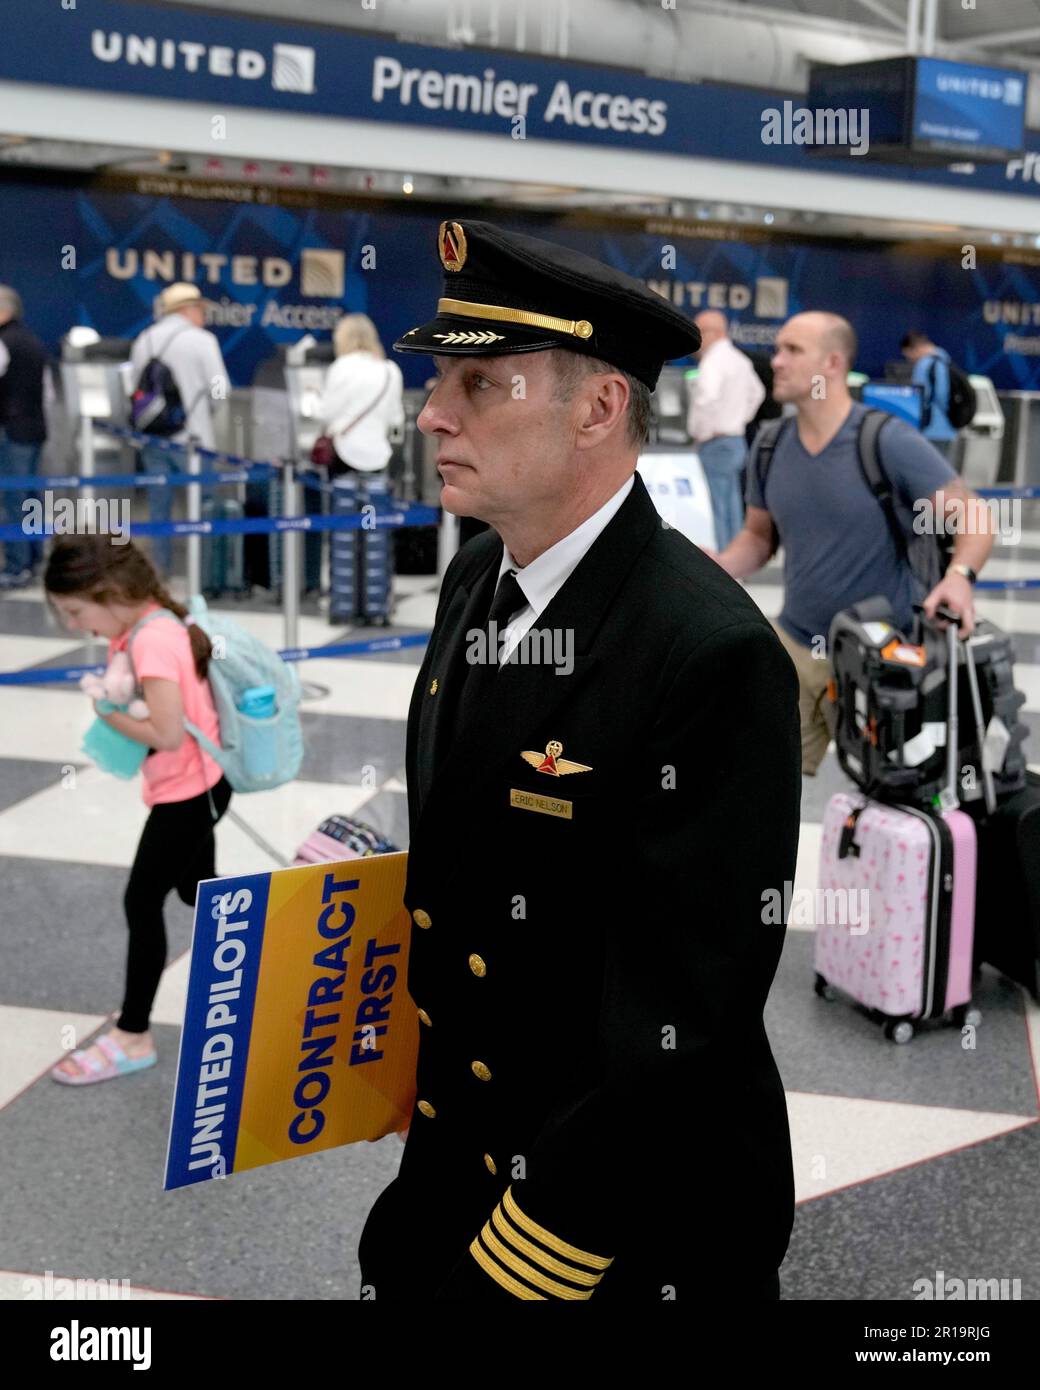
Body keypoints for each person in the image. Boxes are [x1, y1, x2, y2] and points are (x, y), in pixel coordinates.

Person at [357, 218, 801, 1301]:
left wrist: (536, 1239)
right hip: (463, 1136)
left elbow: (684, 1008)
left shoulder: (706, 650)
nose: (431, 412)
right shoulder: (475, 576)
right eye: (438, 380)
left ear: (599, 407)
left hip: (614, 1206)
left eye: (477, 383)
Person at [707, 312, 994, 777]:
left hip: (880, 656)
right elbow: (758, 537)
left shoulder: (885, 440)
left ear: (833, 363)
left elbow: (974, 515)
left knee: (885, 794)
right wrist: (720, 563)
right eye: (778, 348)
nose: (776, 361)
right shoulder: (769, 444)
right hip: (797, 650)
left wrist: (960, 578)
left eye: (792, 350)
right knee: (769, 789)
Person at [44, 534, 232, 1084]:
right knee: (198, 889)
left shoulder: (151, 641)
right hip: (202, 785)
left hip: (188, 793)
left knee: (141, 900)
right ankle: (272, 962)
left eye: (76, 612)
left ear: (107, 592)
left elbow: (167, 733)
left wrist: (105, 712)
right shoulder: (148, 625)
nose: (76, 625)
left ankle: (133, 1035)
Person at [129, 283, 230, 575]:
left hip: (153, 437)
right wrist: (205, 412)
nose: (204, 316)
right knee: (204, 506)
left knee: (158, 509)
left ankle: (160, 573)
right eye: (201, 310)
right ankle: (206, 574)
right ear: (189, 310)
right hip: (194, 440)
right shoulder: (202, 341)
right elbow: (220, 388)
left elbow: (135, 387)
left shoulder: (145, 339)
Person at [318, 313, 405, 624]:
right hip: (379, 461)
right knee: (376, 536)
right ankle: (377, 608)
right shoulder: (389, 371)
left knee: (343, 535)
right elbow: (395, 420)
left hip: (344, 460)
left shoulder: (340, 368)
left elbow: (326, 414)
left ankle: (343, 605)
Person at [686, 310, 765, 550]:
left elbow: (706, 398)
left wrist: (699, 430)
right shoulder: (739, 360)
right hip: (735, 440)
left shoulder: (713, 361)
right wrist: (739, 419)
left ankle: (721, 565)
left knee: (716, 506)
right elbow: (757, 393)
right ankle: (734, 561)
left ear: (712, 333)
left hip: (716, 443)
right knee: (731, 502)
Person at [0, 285, 49, 588]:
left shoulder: (4, 342)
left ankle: (17, 566)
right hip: (33, 428)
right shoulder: (32, 340)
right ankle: (34, 558)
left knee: (14, 498)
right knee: (30, 498)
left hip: (11, 430)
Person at [901, 330, 958, 460]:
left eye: (908, 355)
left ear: (913, 349)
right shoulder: (945, 360)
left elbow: (920, 399)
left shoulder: (924, 365)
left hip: (930, 429)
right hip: (949, 427)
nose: (910, 360)